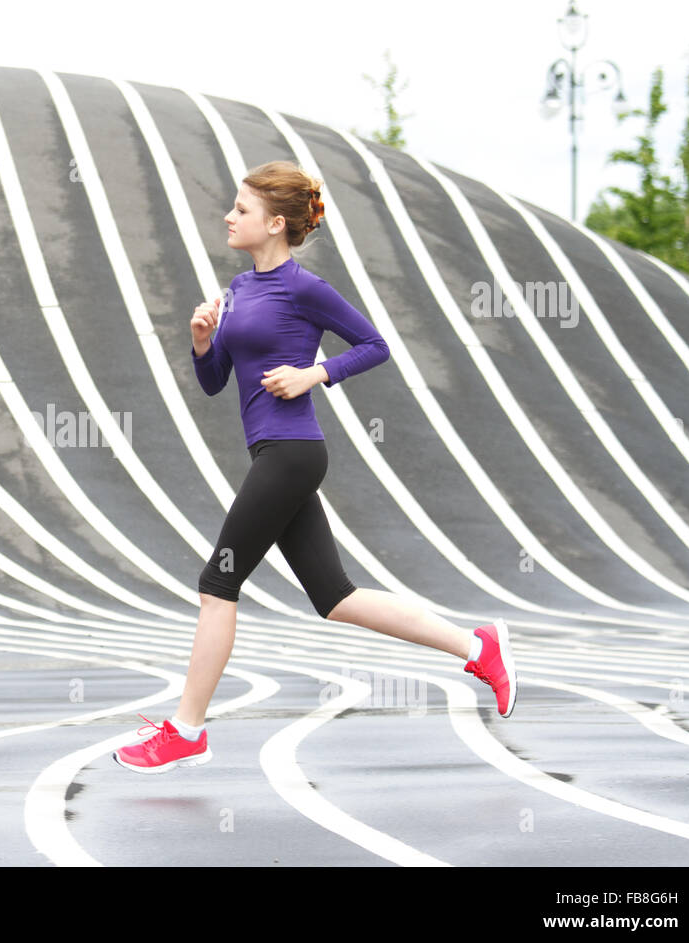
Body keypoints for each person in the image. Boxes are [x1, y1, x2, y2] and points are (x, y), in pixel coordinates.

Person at [113, 160, 516, 774]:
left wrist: (315, 373)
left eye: (241, 209)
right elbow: (216, 382)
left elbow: (375, 345)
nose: (228, 216)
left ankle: (186, 731)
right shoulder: (238, 289)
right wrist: (201, 341)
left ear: (275, 223)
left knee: (217, 586)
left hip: (292, 453)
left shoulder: (304, 288)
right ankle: (476, 646)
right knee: (334, 596)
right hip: (273, 453)